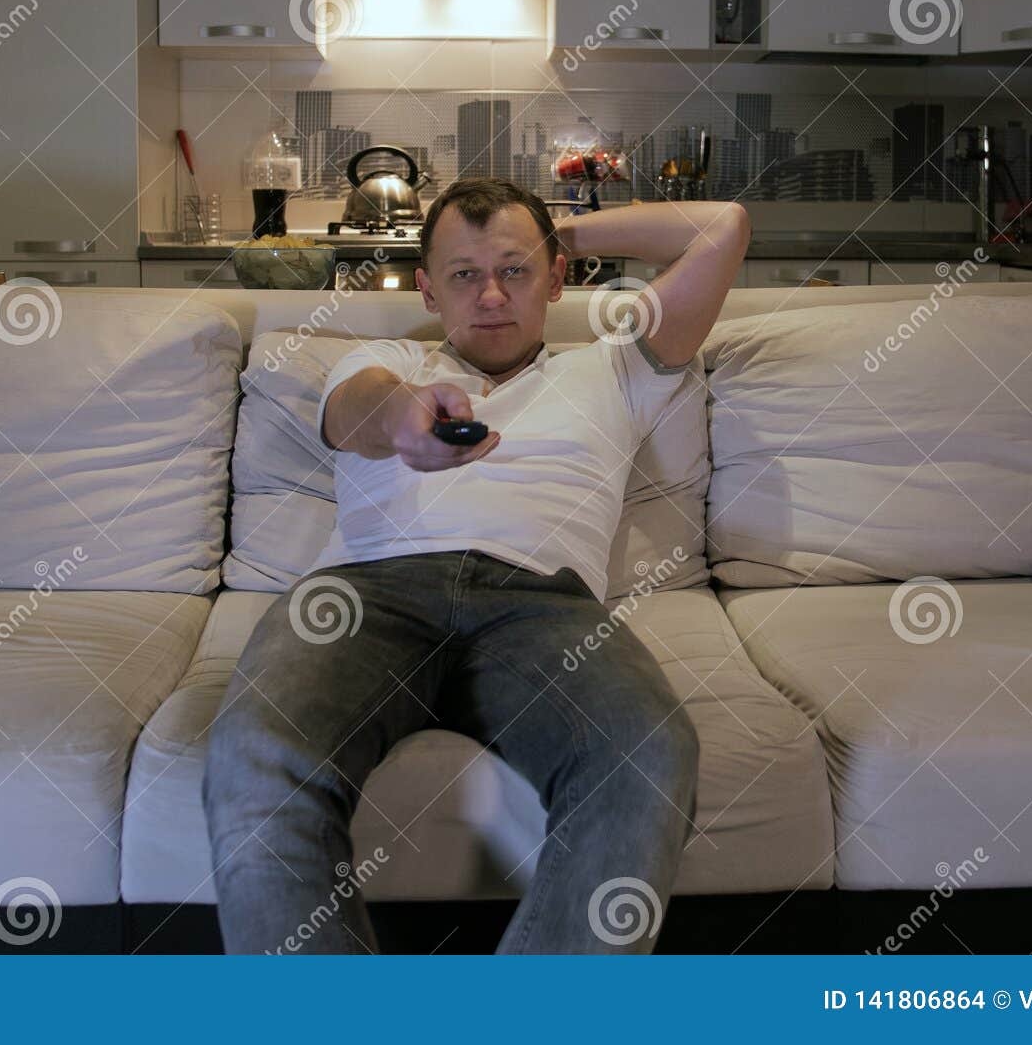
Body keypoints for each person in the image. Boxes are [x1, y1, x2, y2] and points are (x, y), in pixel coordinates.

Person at [203, 177, 751, 954]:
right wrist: (402, 420)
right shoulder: (383, 361)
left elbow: (722, 223)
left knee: (649, 749)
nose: (490, 295)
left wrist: (559, 231)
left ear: (557, 279)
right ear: (427, 289)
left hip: (544, 610)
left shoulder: (617, 369)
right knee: (256, 750)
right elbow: (357, 410)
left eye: (516, 270)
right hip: (365, 599)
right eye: (463, 274)